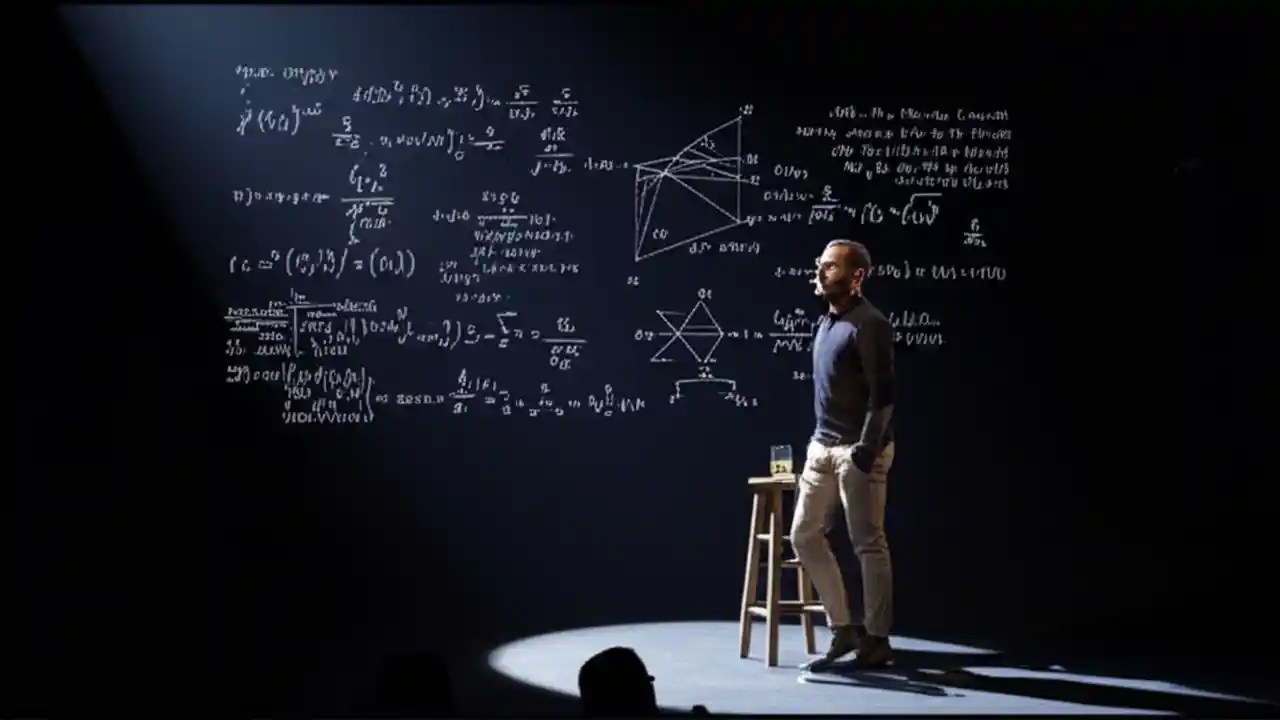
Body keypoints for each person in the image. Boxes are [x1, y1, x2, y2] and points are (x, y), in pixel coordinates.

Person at [791, 238, 898, 671]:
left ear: (857, 277)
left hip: (857, 450)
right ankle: (843, 629)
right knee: (804, 535)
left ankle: (876, 639)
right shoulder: (828, 322)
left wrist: (866, 450)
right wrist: (820, 445)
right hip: (822, 445)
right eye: (820, 264)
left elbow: (883, 396)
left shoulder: (870, 324)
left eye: (831, 266)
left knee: (868, 544)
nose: (821, 271)